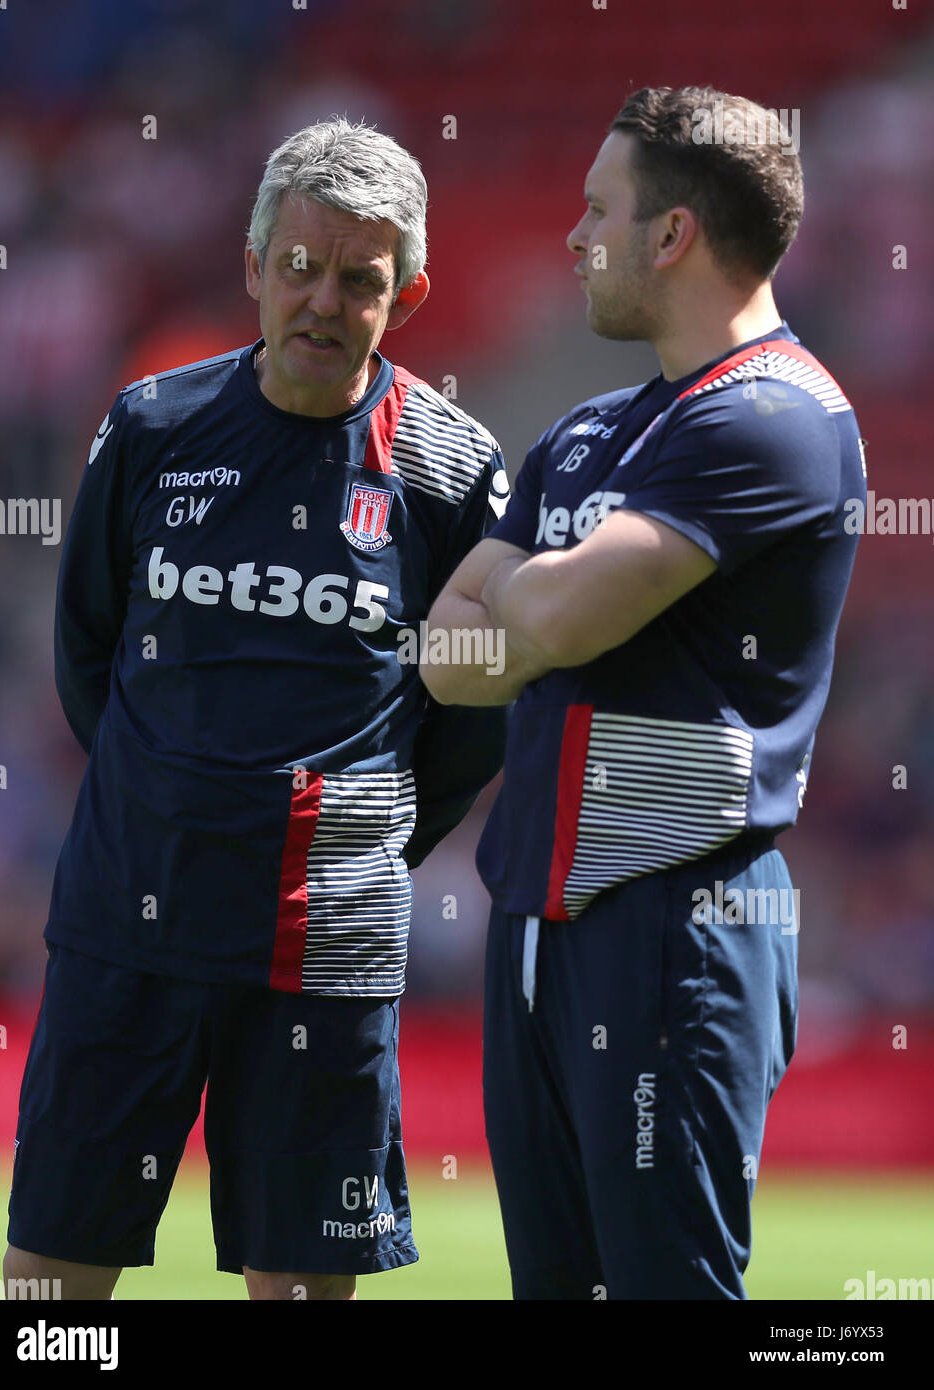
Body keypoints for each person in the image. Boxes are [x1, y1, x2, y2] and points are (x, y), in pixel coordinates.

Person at [5, 118, 508, 1301]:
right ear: (252, 265)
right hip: (131, 917)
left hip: (322, 947)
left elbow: (474, 714)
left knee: (299, 1289)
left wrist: (359, 841)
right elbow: (91, 659)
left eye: (359, 279)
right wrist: (171, 796)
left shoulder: (454, 471)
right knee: (49, 1289)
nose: (322, 300)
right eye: (298, 265)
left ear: (411, 293)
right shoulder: (152, 426)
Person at [422, 85, 866, 1299]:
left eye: (597, 209)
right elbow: (440, 655)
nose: (574, 238)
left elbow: (536, 616)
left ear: (671, 236)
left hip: (672, 921)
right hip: (537, 921)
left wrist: (534, 596)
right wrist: (550, 598)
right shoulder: (584, 430)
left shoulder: (775, 416)